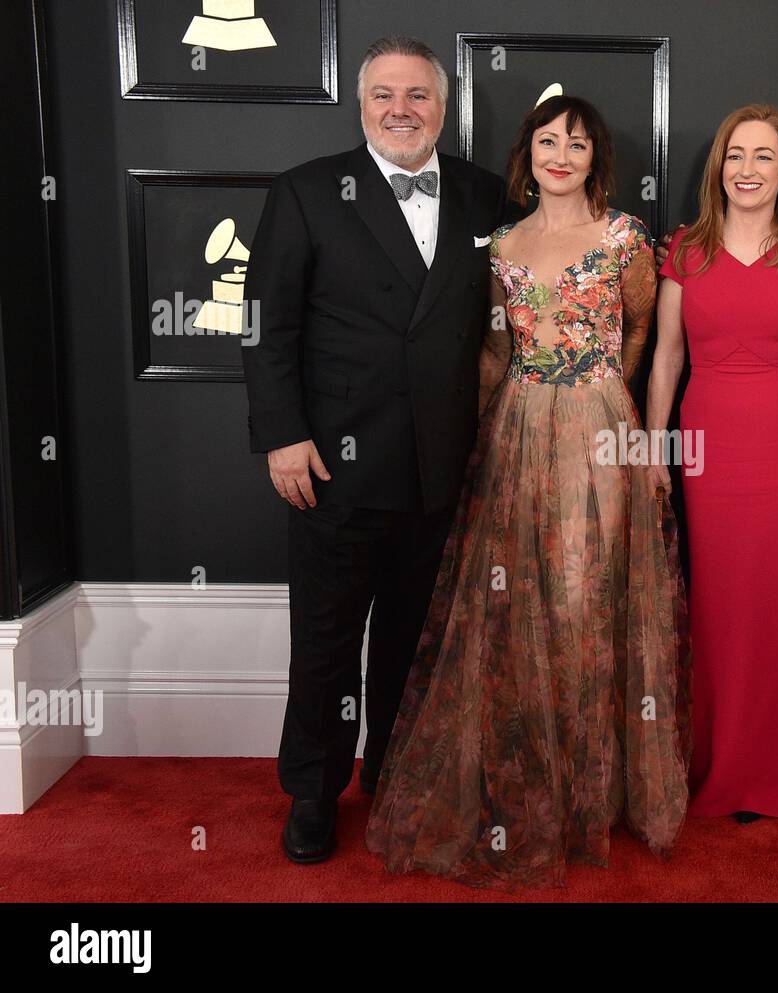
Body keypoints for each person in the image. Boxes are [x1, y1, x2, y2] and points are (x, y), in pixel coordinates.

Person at [364, 95, 690, 888]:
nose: (562, 154)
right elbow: (494, 345)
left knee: (588, 598)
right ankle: (531, 781)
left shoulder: (624, 237)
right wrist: (480, 426)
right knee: (520, 607)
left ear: (595, 158)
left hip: (601, 427)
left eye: (578, 142)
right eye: (548, 140)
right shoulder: (502, 244)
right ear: (528, 152)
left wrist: (618, 394)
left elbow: (645, 327)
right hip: (515, 427)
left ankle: (591, 792)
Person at [241, 36, 508, 864]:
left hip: (443, 470)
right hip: (333, 471)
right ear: (361, 105)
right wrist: (282, 434)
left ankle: (391, 773)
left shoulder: (485, 195)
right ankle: (313, 792)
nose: (401, 109)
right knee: (324, 642)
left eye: (418, 95)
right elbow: (265, 326)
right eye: (385, 94)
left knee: (410, 641)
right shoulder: (307, 192)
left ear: (444, 106)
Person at [648, 105, 778, 824]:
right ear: (718, 167)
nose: (749, 169)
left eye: (765, 156)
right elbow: (667, 354)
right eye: (736, 155)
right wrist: (652, 445)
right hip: (709, 443)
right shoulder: (686, 249)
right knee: (724, 600)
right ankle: (724, 764)